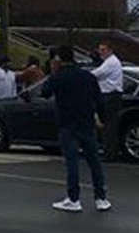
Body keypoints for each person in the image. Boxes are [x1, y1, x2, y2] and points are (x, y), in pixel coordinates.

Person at [41, 45, 110, 212]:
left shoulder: (59, 77)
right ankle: (101, 198)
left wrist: (53, 72)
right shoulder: (88, 76)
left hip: (67, 124)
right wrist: (101, 118)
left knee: (72, 162)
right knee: (94, 162)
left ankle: (73, 199)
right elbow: (99, 100)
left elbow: (45, 92)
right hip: (86, 123)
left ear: (57, 60)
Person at [91, 41, 124, 161]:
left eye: (103, 50)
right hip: (109, 95)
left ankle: (110, 153)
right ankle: (109, 151)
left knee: (109, 125)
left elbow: (97, 74)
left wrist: (83, 75)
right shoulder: (108, 62)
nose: (100, 52)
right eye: (100, 49)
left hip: (111, 96)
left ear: (110, 50)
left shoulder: (111, 62)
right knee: (108, 125)